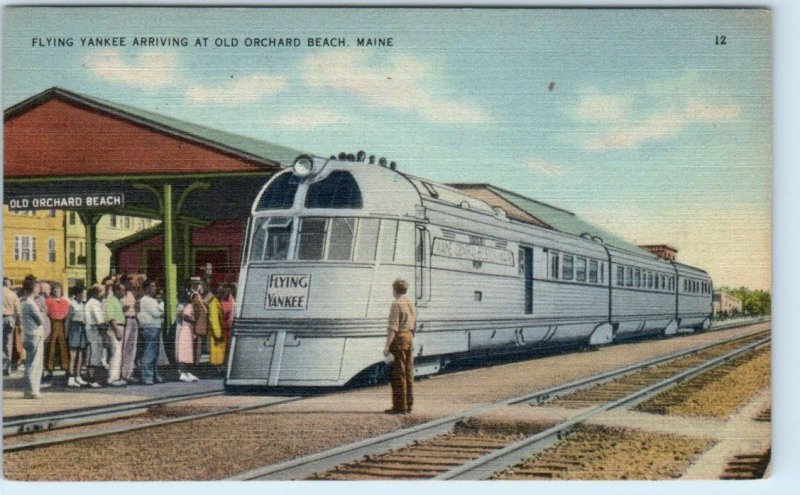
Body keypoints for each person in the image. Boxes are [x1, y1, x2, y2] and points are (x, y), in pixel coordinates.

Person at [383, 279, 417, 415]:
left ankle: (400, 406)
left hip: (399, 340)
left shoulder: (396, 304)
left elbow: (393, 328)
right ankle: (409, 404)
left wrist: (387, 345)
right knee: (408, 373)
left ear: (394, 289)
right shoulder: (409, 303)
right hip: (409, 338)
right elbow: (414, 322)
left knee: (398, 374)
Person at [20, 276, 45, 399]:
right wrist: (42, 311)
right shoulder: (31, 304)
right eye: (38, 288)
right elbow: (40, 320)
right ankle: (33, 390)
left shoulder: (23, 303)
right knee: (35, 364)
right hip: (35, 335)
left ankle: (28, 390)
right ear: (34, 288)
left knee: (29, 363)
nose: (39, 290)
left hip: (27, 334)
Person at [137, 280, 164, 385]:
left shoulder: (150, 300)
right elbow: (157, 313)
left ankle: (153, 375)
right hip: (150, 327)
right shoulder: (147, 300)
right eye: (152, 286)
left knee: (154, 352)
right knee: (150, 352)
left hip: (153, 327)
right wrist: (161, 305)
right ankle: (147, 376)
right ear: (147, 288)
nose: (154, 288)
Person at [45, 282, 70, 381]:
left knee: (64, 347)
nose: (56, 290)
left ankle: (66, 367)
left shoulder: (65, 301)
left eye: (58, 289)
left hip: (63, 325)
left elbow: (67, 313)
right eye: (54, 289)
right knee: (51, 347)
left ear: (61, 290)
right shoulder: (48, 301)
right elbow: (48, 313)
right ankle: (50, 369)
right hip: (52, 325)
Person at [102, 284, 126, 386]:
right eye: (122, 290)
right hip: (115, 328)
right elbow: (111, 317)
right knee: (116, 352)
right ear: (116, 290)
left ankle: (116, 376)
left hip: (120, 327)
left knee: (118, 352)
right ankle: (112, 378)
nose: (124, 292)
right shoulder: (111, 301)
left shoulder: (117, 301)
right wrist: (116, 330)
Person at [83, 284, 106, 388]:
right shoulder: (94, 303)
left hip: (92, 329)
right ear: (97, 292)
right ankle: (91, 379)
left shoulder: (92, 302)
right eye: (102, 291)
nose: (104, 294)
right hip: (93, 329)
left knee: (93, 353)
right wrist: (103, 332)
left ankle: (92, 378)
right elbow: (99, 320)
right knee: (93, 353)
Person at [66, 287, 89, 387]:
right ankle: (71, 377)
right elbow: (68, 320)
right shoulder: (72, 304)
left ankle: (78, 375)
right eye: (83, 294)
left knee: (80, 354)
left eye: (85, 294)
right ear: (77, 294)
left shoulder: (84, 304)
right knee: (73, 354)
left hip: (82, 328)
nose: (84, 296)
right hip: (74, 327)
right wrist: (66, 333)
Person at [119, 275, 140, 384]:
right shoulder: (120, 295)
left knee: (133, 347)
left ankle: (129, 373)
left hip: (133, 319)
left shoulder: (131, 294)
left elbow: (135, 306)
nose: (130, 284)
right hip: (125, 320)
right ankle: (122, 374)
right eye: (128, 282)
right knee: (125, 347)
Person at [176, 293, 201, 382]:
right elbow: (185, 316)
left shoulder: (193, 307)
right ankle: (183, 372)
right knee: (184, 351)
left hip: (190, 330)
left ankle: (187, 372)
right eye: (196, 298)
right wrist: (194, 322)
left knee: (189, 352)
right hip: (186, 329)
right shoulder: (189, 306)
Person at [35, 281, 53, 387]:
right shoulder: (42, 300)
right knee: (41, 356)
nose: (49, 291)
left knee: (42, 355)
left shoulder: (40, 300)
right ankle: (41, 378)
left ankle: (41, 377)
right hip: (43, 331)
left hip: (44, 331)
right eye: (48, 289)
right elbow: (47, 313)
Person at [3, 277, 21, 376]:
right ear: (8, 284)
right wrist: (19, 322)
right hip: (9, 319)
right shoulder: (13, 294)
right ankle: (7, 369)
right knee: (8, 344)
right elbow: (18, 311)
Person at [207, 285, 226, 372]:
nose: (221, 293)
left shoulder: (216, 301)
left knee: (219, 351)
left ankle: (219, 367)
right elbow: (214, 319)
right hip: (217, 331)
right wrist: (218, 334)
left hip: (218, 330)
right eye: (220, 292)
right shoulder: (214, 303)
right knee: (218, 351)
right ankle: (218, 368)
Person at [220, 284, 235, 361]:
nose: (224, 292)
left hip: (228, 327)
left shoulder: (230, 300)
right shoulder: (224, 299)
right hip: (225, 327)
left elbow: (225, 312)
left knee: (227, 347)